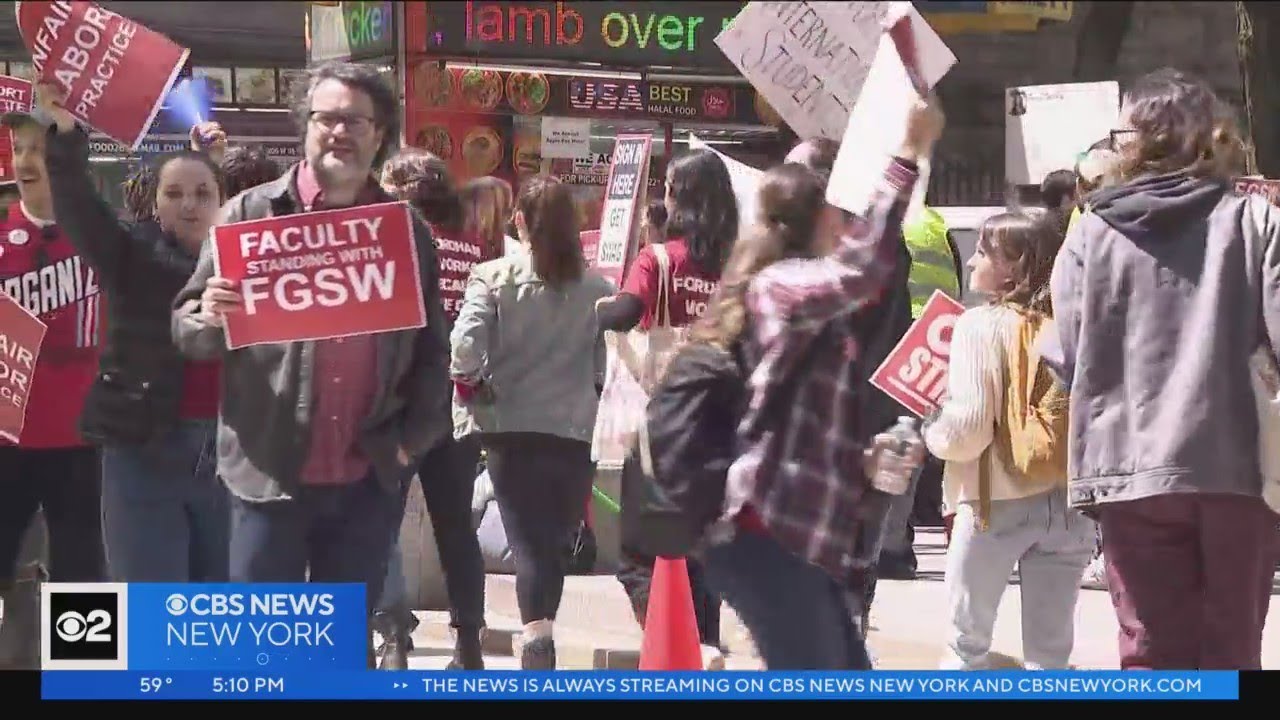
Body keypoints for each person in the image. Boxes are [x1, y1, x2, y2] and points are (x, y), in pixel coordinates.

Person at [172, 61, 452, 667]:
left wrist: (411, 443)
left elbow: (434, 353)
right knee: (259, 657)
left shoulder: (405, 232)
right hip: (267, 473)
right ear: (305, 125)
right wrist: (209, 317)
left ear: (380, 135)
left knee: (337, 659)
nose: (339, 133)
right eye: (327, 118)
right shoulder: (248, 214)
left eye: (356, 121)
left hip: (364, 481)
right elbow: (187, 328)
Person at [1044, 68, 1280, 669]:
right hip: (1239, 468)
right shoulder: (1257, 222)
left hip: (1126, 470)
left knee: (1150, 651)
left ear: (1134, 141)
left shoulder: (1090, 231)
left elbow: (1061, 354)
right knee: (1232, 651)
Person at [701, 94, 942, 669]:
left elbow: (798, 420)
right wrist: (907, 153)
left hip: (805, 536)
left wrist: (862, 459)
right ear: (824, 216)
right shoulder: (781, 287)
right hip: (768, 530)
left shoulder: (806, 303)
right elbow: (862, 269)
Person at [37, 83, 232, 583]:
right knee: (152, 603)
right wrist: (63, 130)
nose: (189, 204)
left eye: (202, 193)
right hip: (143, 449)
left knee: (224, 607)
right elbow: (78, 204)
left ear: (223, 201)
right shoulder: (129, 253)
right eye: (174, 193)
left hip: (233, 457)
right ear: (155, 203)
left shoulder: (249, 258)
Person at [451, 175, 613, 670]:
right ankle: (540, 632)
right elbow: (605, 367)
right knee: (554, 542)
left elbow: (463, 349)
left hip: (509, 425)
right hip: (574, 430)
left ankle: (537, 639)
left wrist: (473, 383)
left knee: (527, 541)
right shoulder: (600, 289)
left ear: (518, 221)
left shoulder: (492, 276)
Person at [924, 210, 1094, 670]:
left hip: (994, 502)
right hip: (1071, 502)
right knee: (1051, 656)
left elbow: (969, 429)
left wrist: (931, 432)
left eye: (983, 252)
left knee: (966, 647)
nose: (973, 261)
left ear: (1013, 267)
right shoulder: (1075, 324)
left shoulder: (981, 325)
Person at [599, 148, 739, 668]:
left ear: (679, 199)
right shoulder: (736, 266)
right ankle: (706, 641)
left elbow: (627, 311)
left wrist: (599, 313)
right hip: (722, 420)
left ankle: (677, 641)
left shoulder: (658, 259)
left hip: (662, 422)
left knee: (634, 547)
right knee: (703, 539)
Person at [375, 147, 490, 670]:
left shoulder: (395, 239)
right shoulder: (474, 245)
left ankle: (394, 635)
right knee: (455, 524)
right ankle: (468, 642)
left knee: (379, 521)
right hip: (459, 401)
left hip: (401, 397)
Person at [0, 108, 106, 645]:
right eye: (19, 148)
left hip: (83, 441)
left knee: (85, 580)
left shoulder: (102, 236)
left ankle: (85, 678)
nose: (25, 161)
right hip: (6, 439)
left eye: (38, 148)